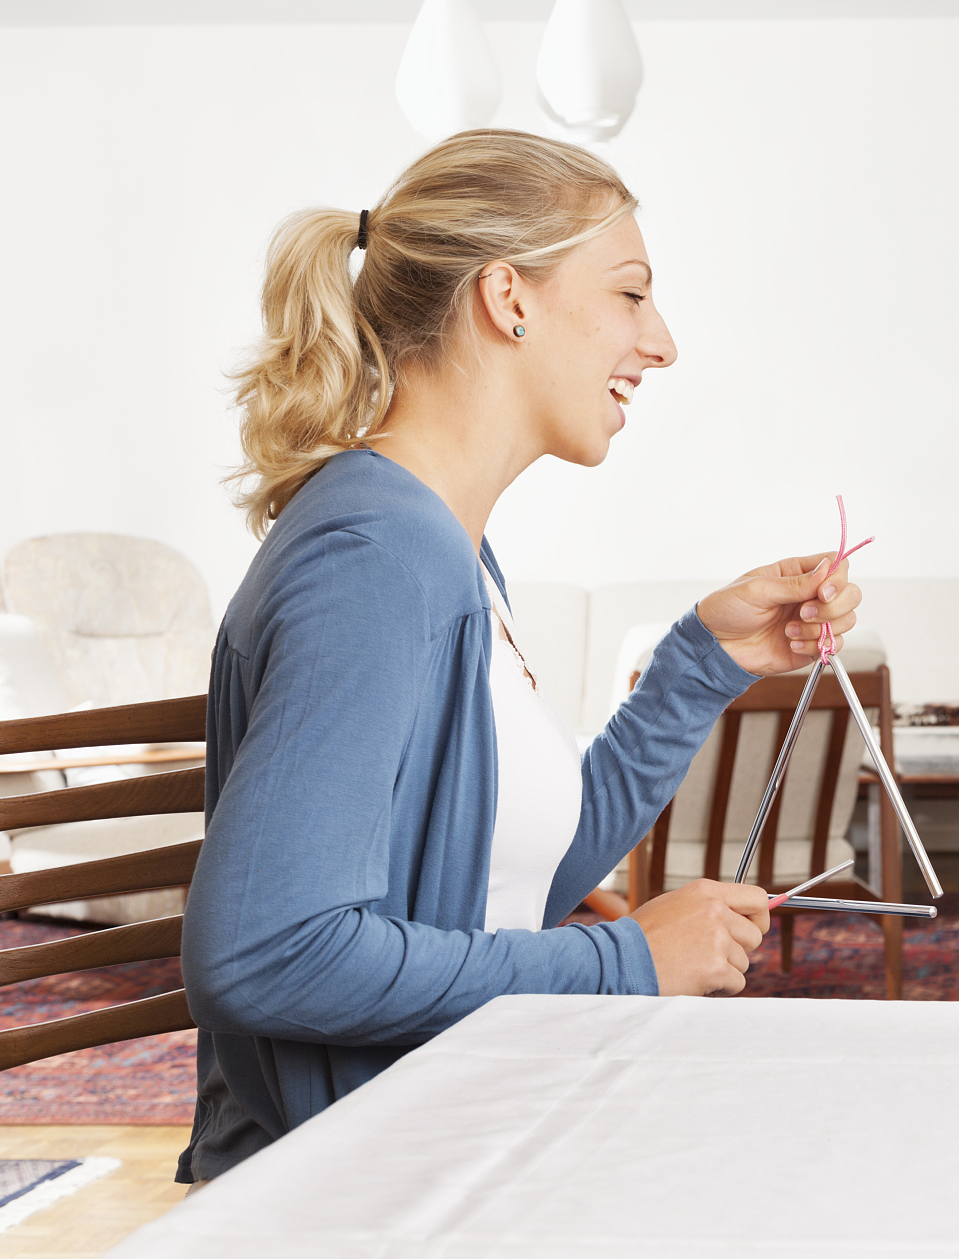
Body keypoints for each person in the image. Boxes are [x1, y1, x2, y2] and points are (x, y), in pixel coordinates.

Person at [177, 131, 859, 1184]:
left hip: (449, 1127)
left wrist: (705, 660)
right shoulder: (375, 560)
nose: (662, 341)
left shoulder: (447, 549)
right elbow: (268, 953)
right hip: (354, 1184)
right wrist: (627, 962)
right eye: (631, 294)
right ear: (509, 300)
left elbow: (529, 861)